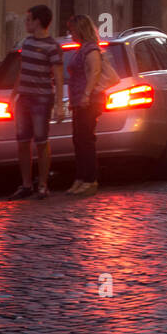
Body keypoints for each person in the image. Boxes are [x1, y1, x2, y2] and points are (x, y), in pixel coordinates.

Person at [8, 4, 64, 200]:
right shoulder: (27, 42)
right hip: (24, 97)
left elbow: (58, 77)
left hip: (42, 98)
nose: (26, 23)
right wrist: (13, 95)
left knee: (41, 141)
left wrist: (59, 105)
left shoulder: (52, 47)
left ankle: (42, 184)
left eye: (28, 20)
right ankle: (25, 184)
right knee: (22, 142)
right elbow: (22, 70)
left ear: (38, 21)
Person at [65, 14, 106, 197]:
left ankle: (90, 180)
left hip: (88, 101)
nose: (70, 33)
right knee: (79, 140)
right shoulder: (82, 49)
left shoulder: (91, 50)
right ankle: (80, 178)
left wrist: (86, 95)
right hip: (79, 101)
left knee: (86, 141)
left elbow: (95, 71)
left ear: (80, 29)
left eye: (72, 29)